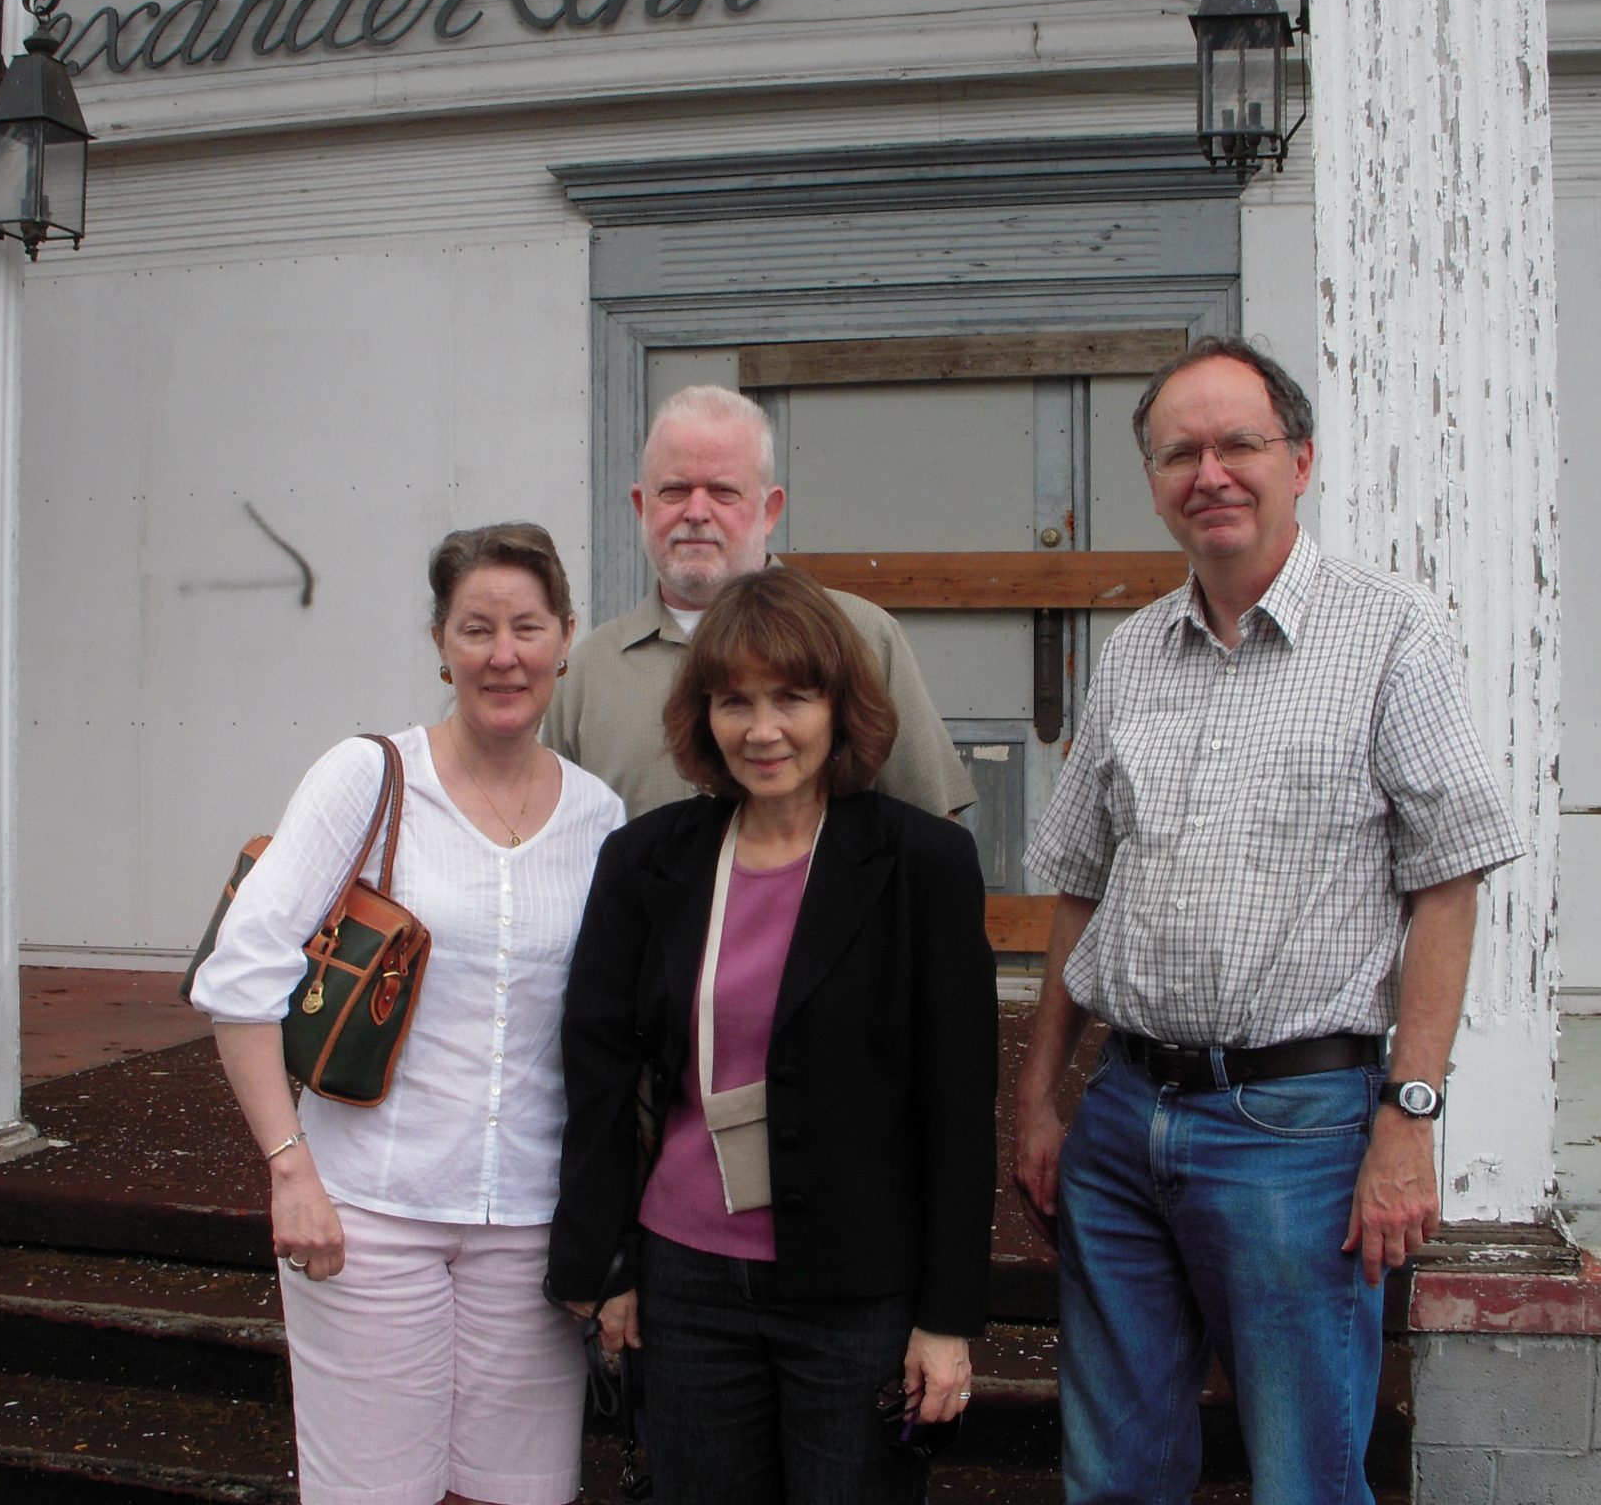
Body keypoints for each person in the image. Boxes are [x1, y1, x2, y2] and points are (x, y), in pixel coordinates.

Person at [1012, 338, 1526, 1505]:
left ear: (1298, 459)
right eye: (1179, 452)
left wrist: (1408, 1117)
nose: (1210, 474)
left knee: (1300, 1477)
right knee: (1114, 1476)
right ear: (1152, 479)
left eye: (1237, 444)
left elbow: (1446, 880)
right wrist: (1040, 1094)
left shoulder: (1391, 630)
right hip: (1122, 1120)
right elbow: (1080, 886)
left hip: (1294, 1134)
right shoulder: (1131, 651)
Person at [189, 523, 625, 1505]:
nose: (501, 655)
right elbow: (240, 977)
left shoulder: (600, 818)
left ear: (564, 636)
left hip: (528, 1225)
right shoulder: (371, 776)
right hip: (366, 1213)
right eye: (476, 629)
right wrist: (287, 1169)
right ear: (439, 641)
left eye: (525, 627)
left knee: (515, 1494)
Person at [548, 566, 999, 1505]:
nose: (762, 730)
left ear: (841, 706)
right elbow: (601, 1071)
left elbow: (959, 1108)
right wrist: (604, 1268)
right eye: (734, 701)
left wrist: (948, 1320)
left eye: (793, 696)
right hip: (687, 1285)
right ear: (702, 715)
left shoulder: (922, 866)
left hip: (859, 1295)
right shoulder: (648, 861)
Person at [542, 383, 977, 821]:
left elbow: (935, 833)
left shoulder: (862, 636)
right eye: (674, 490)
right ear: (641, 506)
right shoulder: (585, 675)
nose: (696, 511)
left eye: (723, 492)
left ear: (770, 510)